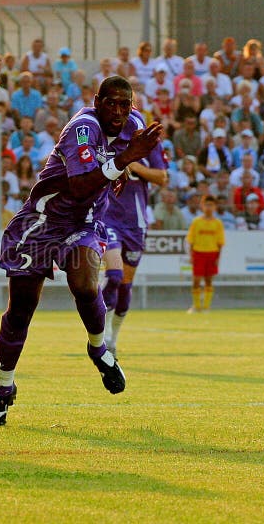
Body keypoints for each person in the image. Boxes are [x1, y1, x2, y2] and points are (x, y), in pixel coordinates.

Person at [0, 75, 162, 427]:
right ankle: (3, 390)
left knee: (83, 284)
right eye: (111, 103)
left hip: (84, 223)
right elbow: (80, 186)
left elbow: (109, 171)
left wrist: (121, 165)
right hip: (39, 224)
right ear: (97, 101)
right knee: (20, 312)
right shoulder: (82, 127)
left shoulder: (135, 125)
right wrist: (124, 160)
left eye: (126, 104)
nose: (119, 111)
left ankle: (99, 349)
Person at [100, 127, 169, 358]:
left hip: (136, 222)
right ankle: (104, 336)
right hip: (108, 216)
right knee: (114, 274)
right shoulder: (102, 137)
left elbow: (161, 177)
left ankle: (113, 339)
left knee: (125, 285)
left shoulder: (149, 142)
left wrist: (134, 165)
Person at [186, 195, 225, 313]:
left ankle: (206, 307)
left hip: (212, 253)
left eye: (211, 205)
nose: (209, 207)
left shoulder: (218, 223)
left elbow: (220, 243)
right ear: (202, 206)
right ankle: (196, 306)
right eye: (206, 205)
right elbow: (191, 240)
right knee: (196, 280)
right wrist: (191, 255)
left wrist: (218, 257)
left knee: (209, 280)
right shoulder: (196, 222)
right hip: (198, 253)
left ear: (215, 207)